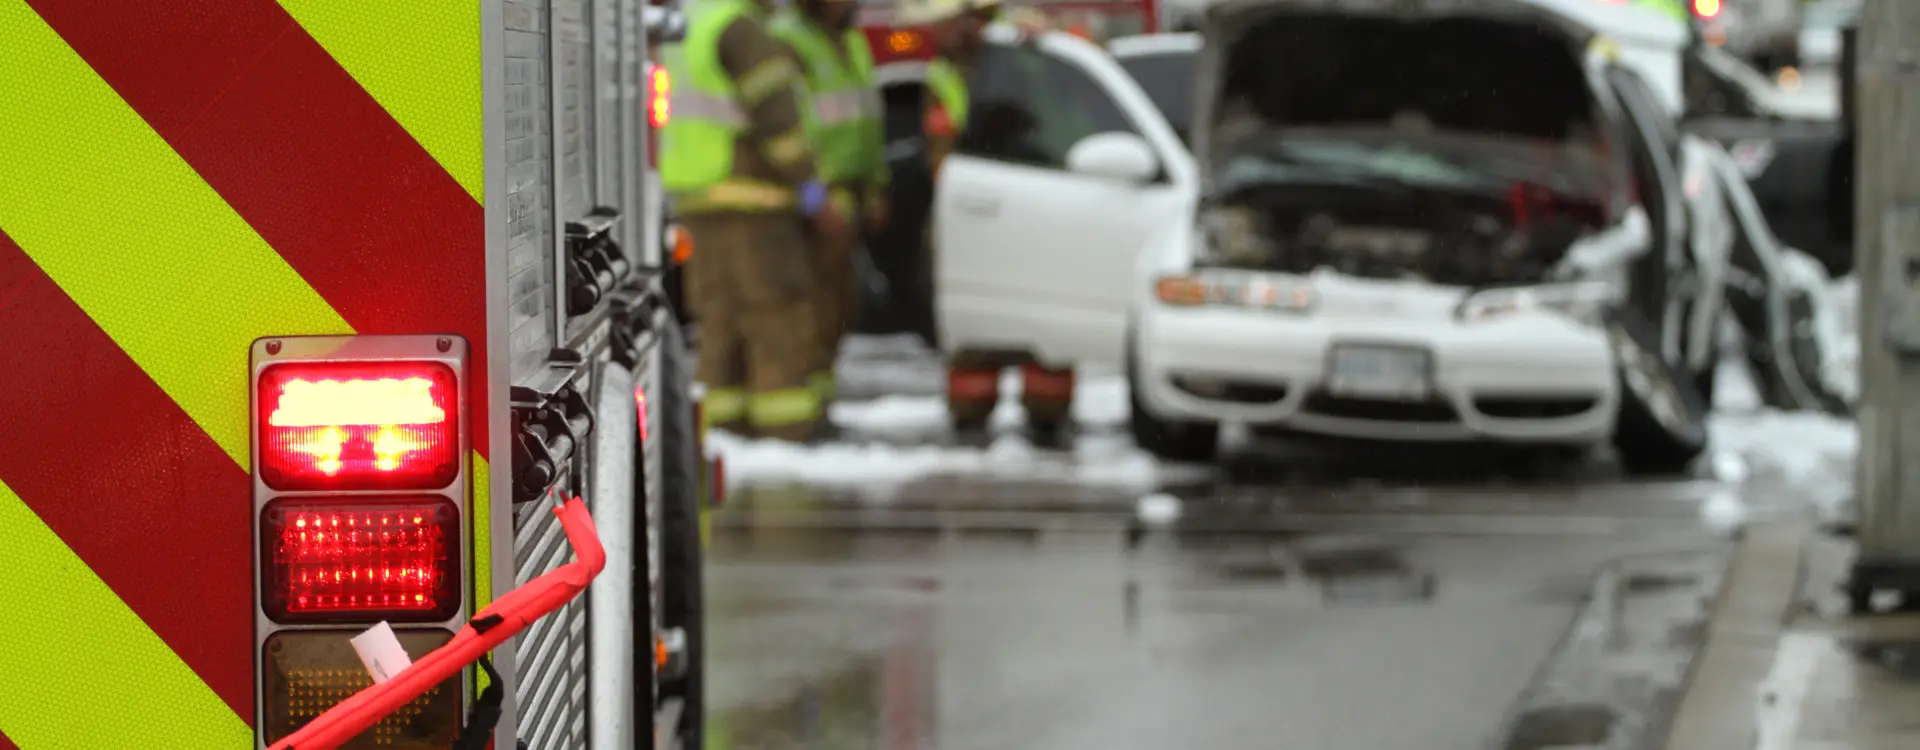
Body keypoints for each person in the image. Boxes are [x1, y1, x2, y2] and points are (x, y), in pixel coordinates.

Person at [660, 0, 850, 442]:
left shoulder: (693, 22)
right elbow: (779, 121)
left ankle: (723, 425)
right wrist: (811, 187)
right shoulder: (742, 30)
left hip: (699, 198)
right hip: (756, 204)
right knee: (778, 316)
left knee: (718, 321)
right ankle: (788, 430)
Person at [894, 0, 1077, 443]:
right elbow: (939, 144)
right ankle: (971, 417)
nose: (934, 34)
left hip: (1036, 203)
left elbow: (1068, 94)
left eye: (941, 24)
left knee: (1042, 310)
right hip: (974, 207)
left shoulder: (1025, 51)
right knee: (973, 324)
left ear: (971, 18)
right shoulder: (943, 71)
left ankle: (1046, 418)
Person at [771, 0, 890, 418]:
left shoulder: (852, 42)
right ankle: (807, 399)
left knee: (840, 303)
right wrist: (813, 194)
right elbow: (791, 125)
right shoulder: (790, 40)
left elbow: (868, 120)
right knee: (811, 304)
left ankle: (821, 394)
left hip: (852, 191)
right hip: (819, 195)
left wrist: (876, 186)